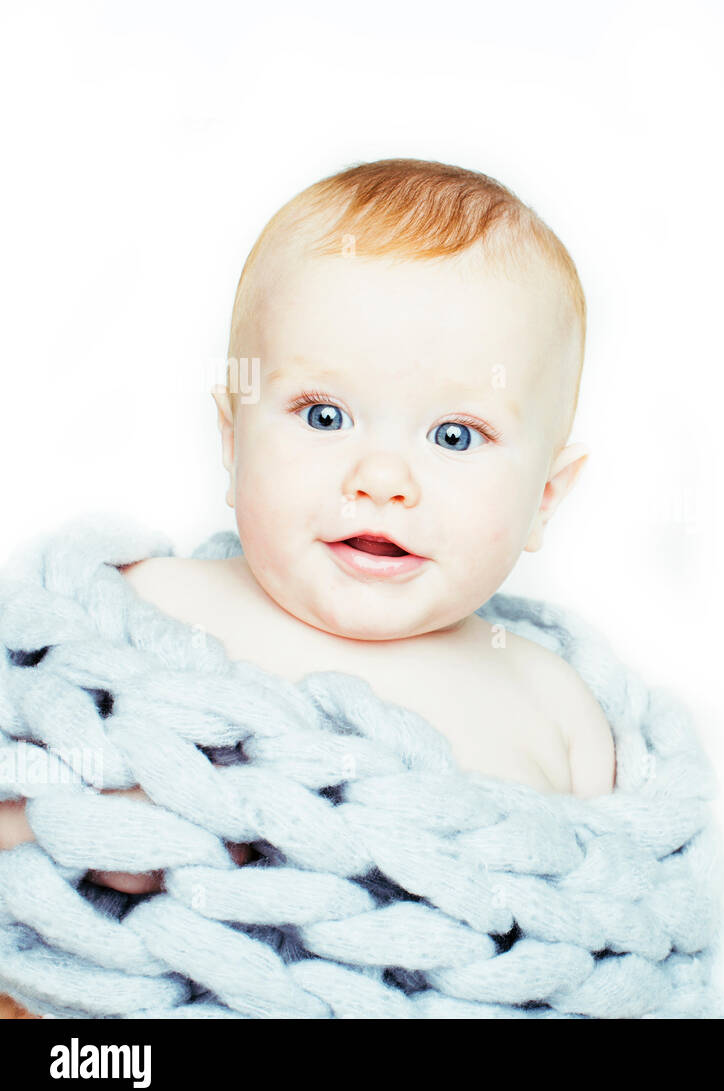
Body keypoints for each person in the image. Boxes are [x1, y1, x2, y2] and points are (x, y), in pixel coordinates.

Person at [0, 158, 617, 1015]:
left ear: (545, 498)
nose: (382, 478)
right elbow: (24, 769)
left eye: (455, 435)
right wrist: (110, 826)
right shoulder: (148, 605)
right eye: (324, 416)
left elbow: (606, 915)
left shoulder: (554, 699)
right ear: (233, 438)